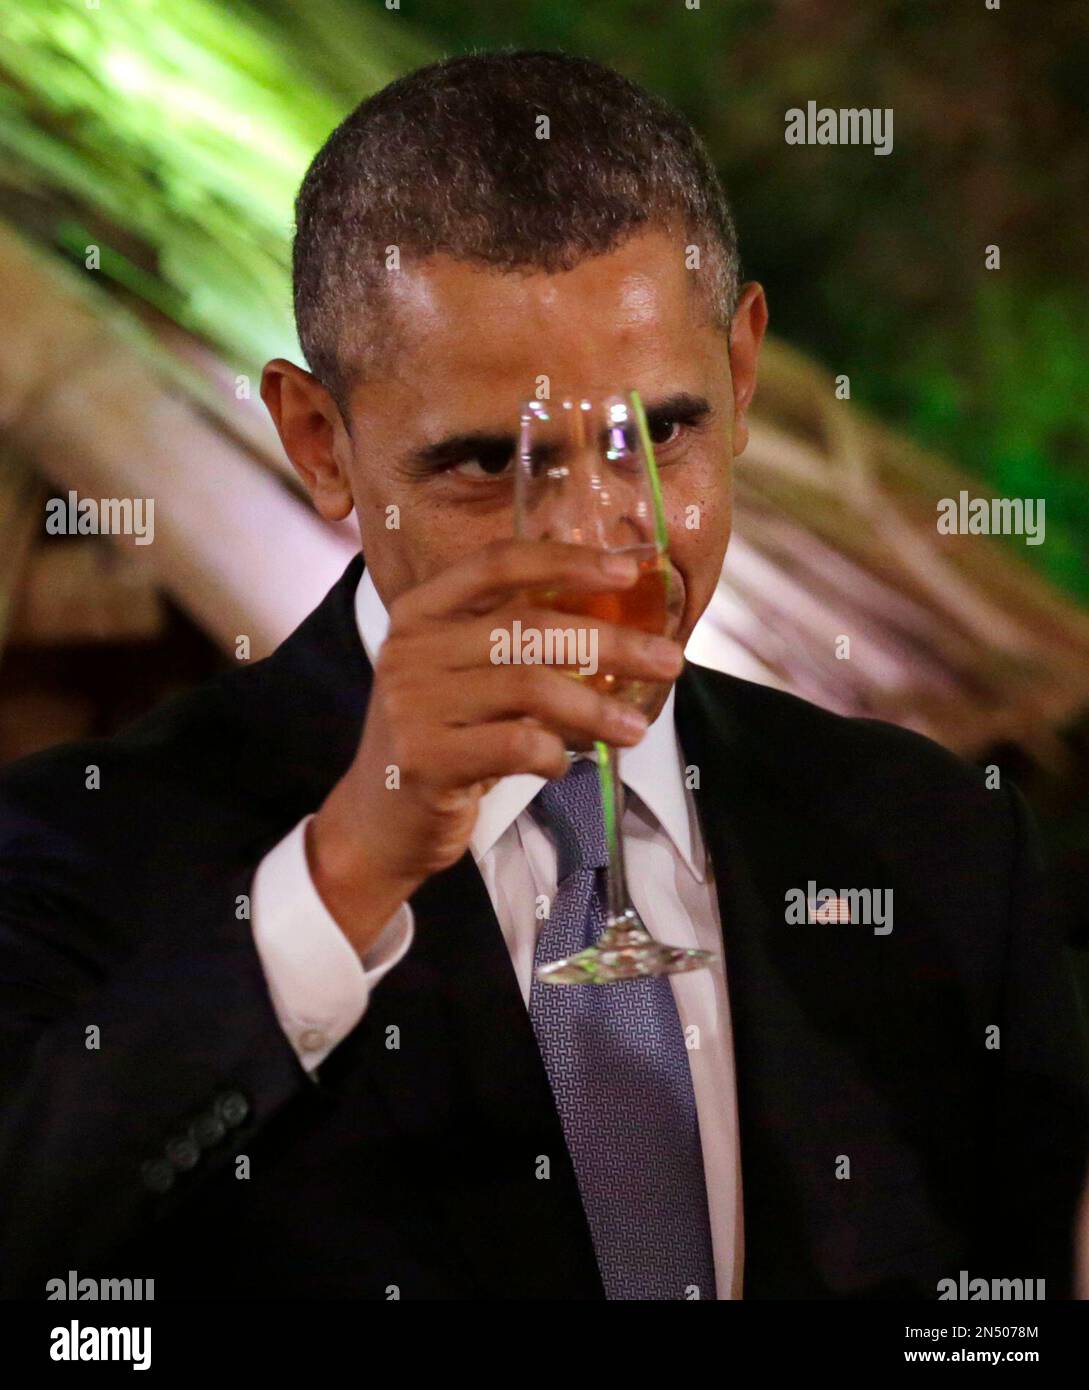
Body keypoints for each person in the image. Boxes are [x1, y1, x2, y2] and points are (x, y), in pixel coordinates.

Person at [1, 50, 1086, 1302]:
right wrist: (342, 875)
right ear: (319, 441)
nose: (596, 531)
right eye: (482, 464)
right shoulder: (81, 846)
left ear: (741, 373)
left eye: (660, 432)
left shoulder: (939, 844)